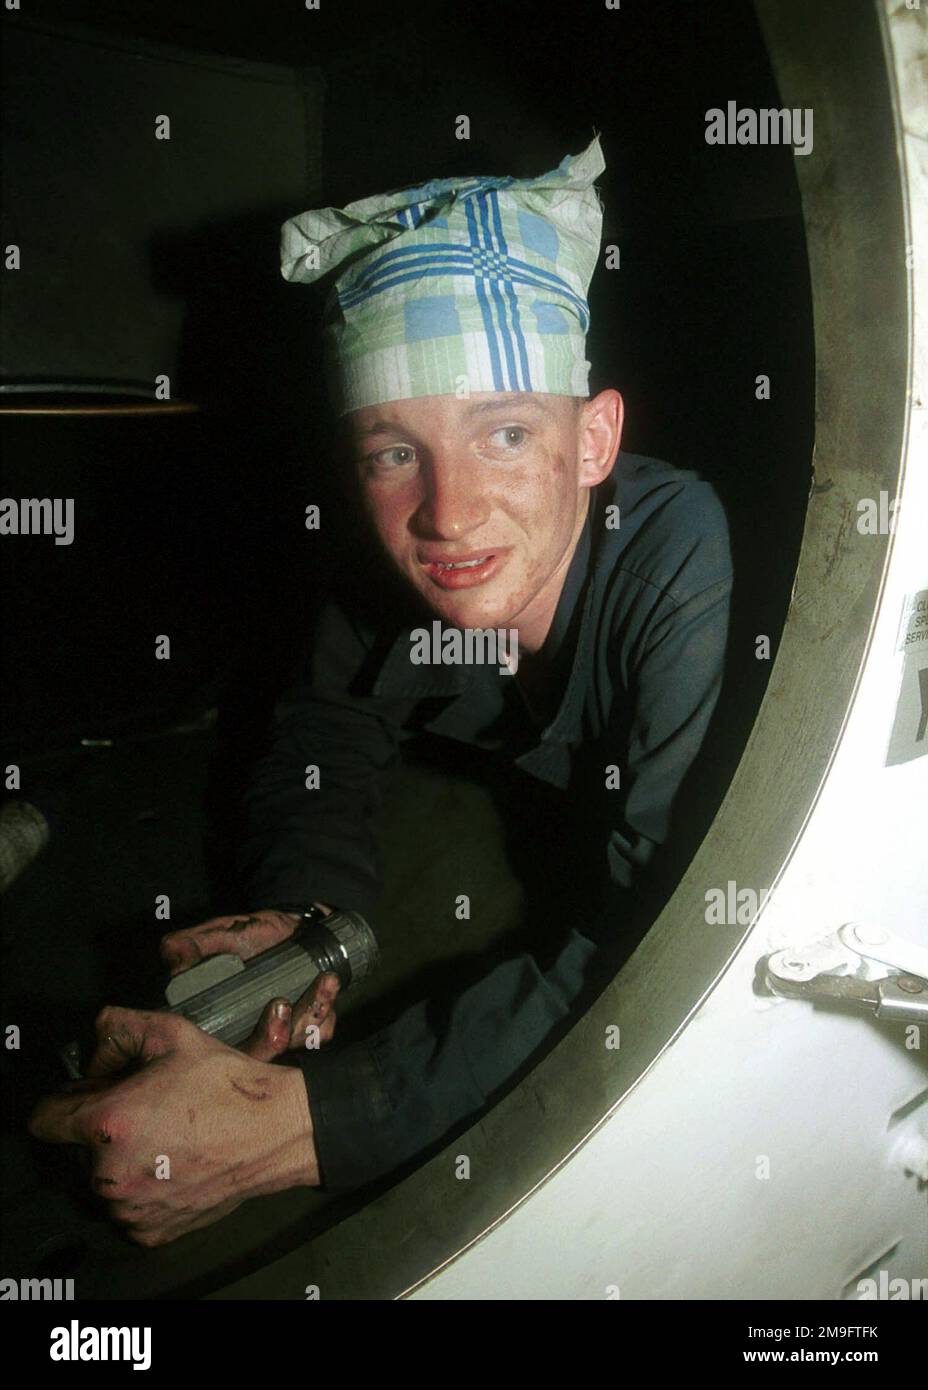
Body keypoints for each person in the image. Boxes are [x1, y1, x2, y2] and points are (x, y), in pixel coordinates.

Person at [28, 136, 733, 1245]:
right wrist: (313, 921)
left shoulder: (680, 576)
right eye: (393, 452)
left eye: (506, 434)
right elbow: (323, 721)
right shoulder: (375, 565)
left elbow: (662, 949)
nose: (447, 515)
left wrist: (303, 1124)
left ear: (593, 438)